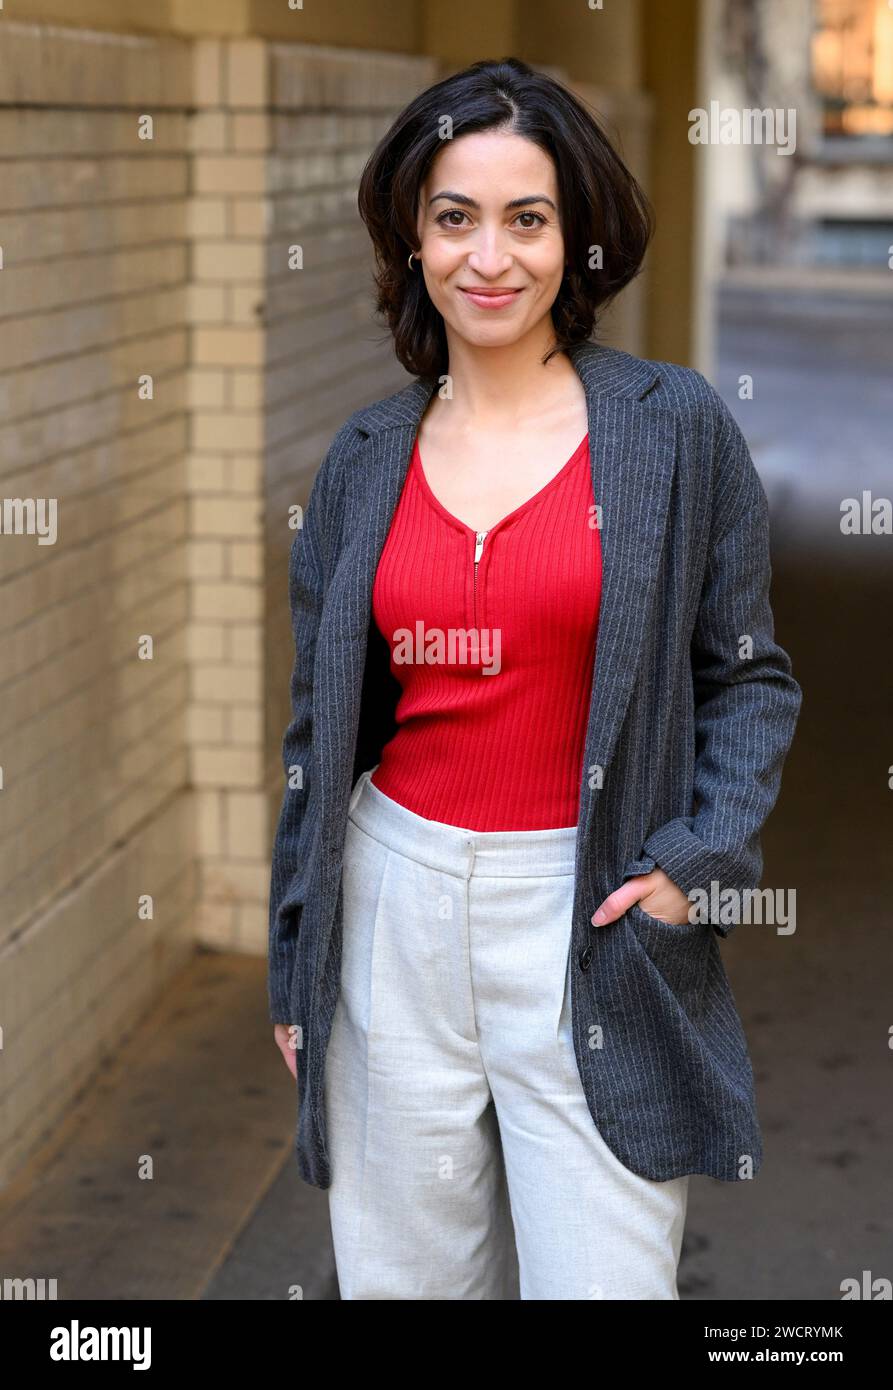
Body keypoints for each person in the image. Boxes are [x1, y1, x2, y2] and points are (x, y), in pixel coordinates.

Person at [267, 57, 803, 1300]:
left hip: (591, 900)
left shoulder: (670, 430)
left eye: (527, 217)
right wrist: (300, 951)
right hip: (390, 905)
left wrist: (692, 865)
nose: (488, 257)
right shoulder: (363, 455)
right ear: (411, 236)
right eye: (454, 217)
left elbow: (749, 678)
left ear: (578, 237)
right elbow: (319, 730)